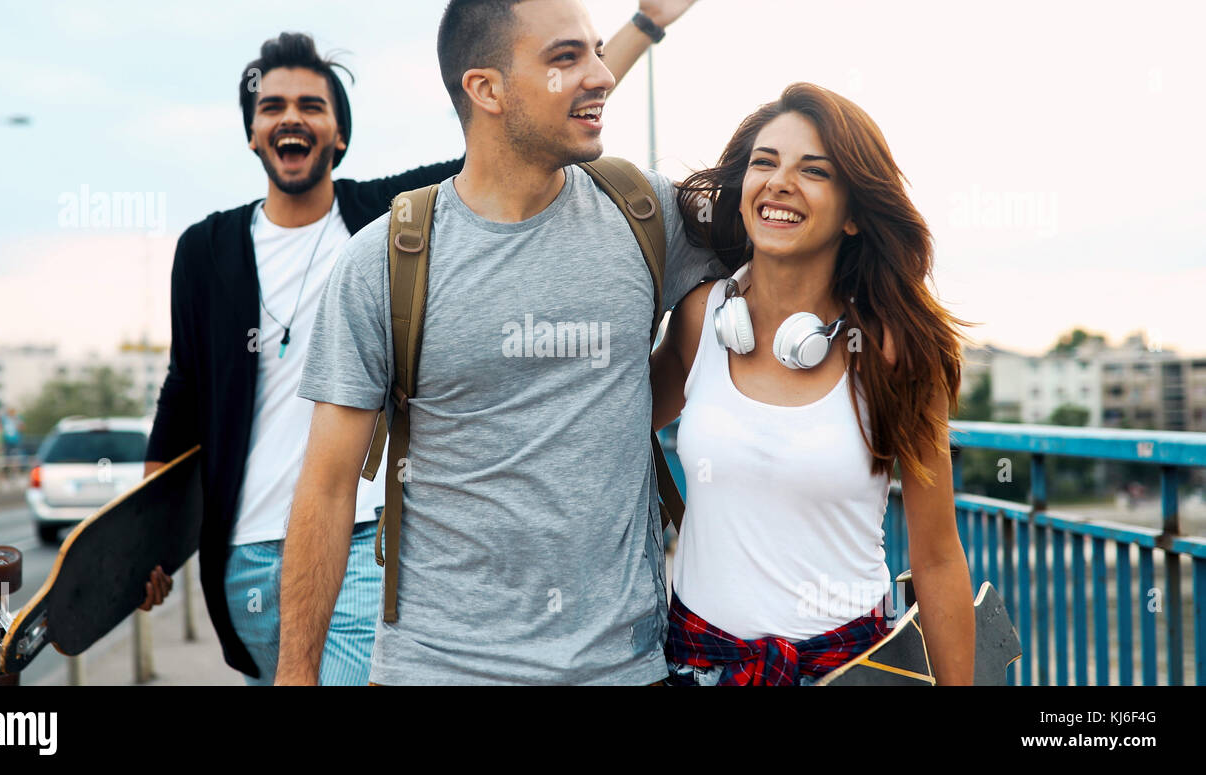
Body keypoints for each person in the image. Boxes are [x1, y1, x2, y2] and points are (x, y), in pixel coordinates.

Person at [143, 19, 673, 686]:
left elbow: (520, 122)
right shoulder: (206, 248)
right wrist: (143, 540)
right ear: (252, 132)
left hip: (361, 535)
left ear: (339, 133)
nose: (291, 119)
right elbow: (182, 391)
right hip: (242, 548)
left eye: (312, 106)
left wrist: (644, 28)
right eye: (271, 107)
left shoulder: (385, 223)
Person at [276, 0, 720, 686]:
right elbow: (327, 489)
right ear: (485, 89)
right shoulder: (386, 261)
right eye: (566, 58)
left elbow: (782, 236)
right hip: (436, 668)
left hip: (622, 668)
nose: (600, 74)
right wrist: (295, 677)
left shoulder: (648, 213)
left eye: (598, 52)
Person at [650, 83, 975, 685]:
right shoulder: (702, 319)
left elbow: (935, 556)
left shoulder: (895, 352)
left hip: (850, 668)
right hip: (700, 663)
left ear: (853, 214)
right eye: (764, 163)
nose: (779, 182)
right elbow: (605, 424)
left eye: (814, 171)